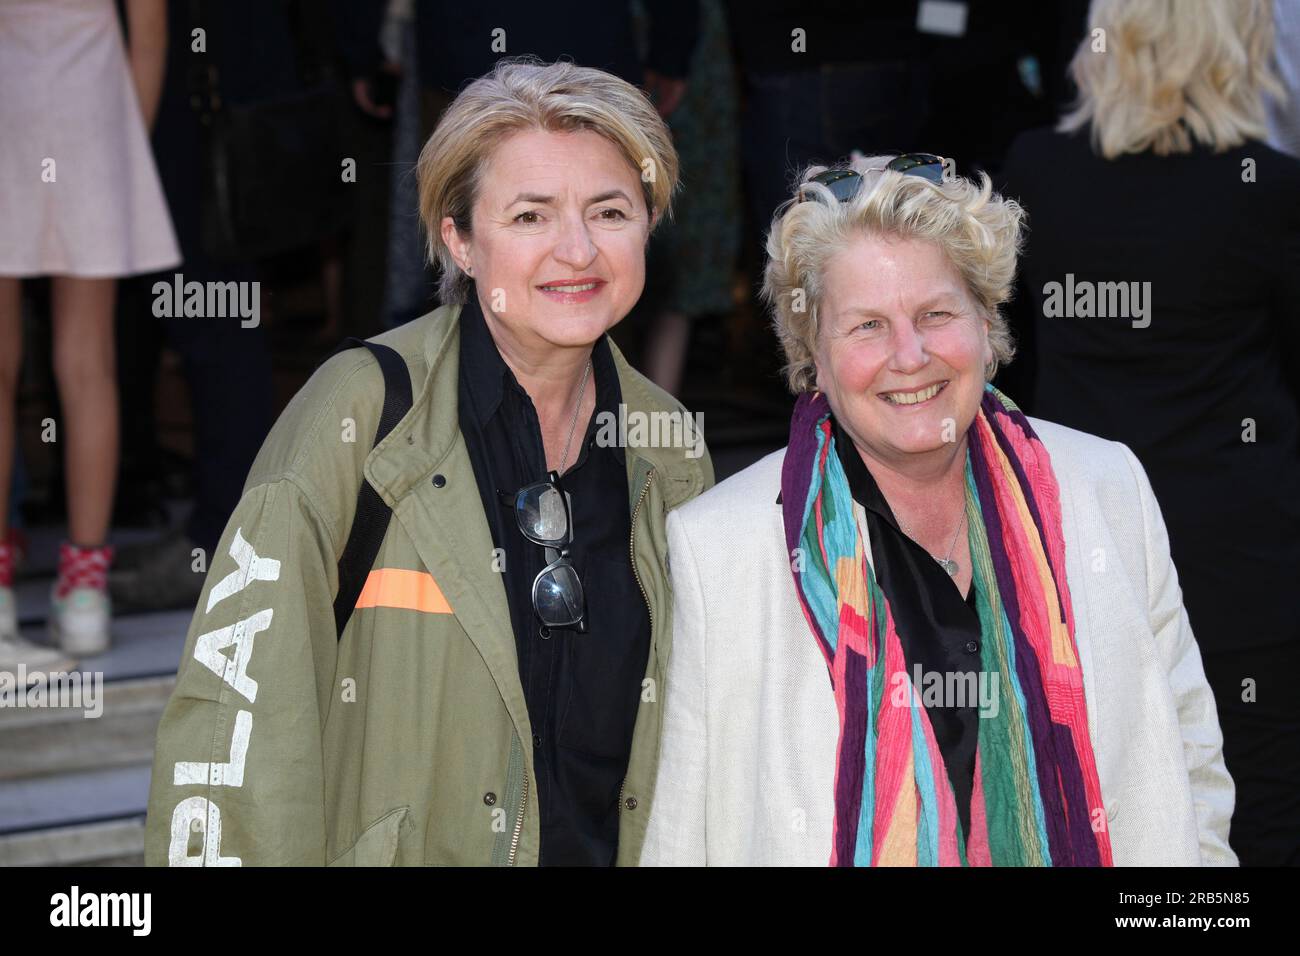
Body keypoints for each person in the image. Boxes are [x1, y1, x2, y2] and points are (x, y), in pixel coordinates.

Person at [144, 59, 713, 866]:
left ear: (648, 224)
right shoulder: (361, 414)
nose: (577, 250)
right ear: (459, 237)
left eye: (610, 210)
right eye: (529, 216)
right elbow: (226, 734)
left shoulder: (672, 446)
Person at [641, 153, 1235, 866]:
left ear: (986, 325)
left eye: (936, 314)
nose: (910, 355)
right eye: (866, 326)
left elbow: (1192, 762)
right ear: (814, 358)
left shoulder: (1107, 487)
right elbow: (680, 833)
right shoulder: (723, 547)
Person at [999, 0, 1300, 865]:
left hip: (1081, 551)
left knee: (1096, 802)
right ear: (1237, 44)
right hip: (1242, 560)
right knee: (1259, 804)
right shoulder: (1269, 194)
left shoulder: (1037, 171)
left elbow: (1006, 360)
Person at [0, 0, 180, 668]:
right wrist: (126, 142)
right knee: (89, 361)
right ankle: (83, 595)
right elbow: (152, 26)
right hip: (93, 105)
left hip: (15, 95)